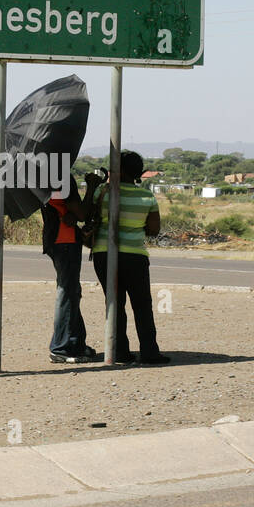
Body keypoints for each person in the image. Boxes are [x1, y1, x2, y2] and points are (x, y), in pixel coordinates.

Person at [87, 151, 169, 365]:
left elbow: (88, 214)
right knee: (142, 304)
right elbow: (153, 230)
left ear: (118, 170)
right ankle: (150, 352)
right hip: (135, 256)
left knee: (115, 303)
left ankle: (119, 351)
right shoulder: (147, 197)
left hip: (104, 253)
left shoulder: (102, 192)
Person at [42, 178, 95, 364]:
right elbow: (80, 213)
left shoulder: (43, 175)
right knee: (67, 292)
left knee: (72, 292)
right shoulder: (62, 177)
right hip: (64, 240)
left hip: (55, 238)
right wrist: (92, 187)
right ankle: (60, 347)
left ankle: (76, 343)